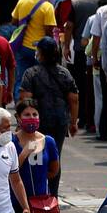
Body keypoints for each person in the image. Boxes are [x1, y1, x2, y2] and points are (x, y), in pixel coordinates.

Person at [17, 37, 78, 167]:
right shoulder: (65, 73)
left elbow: (25, 98)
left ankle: (38, 184)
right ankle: (53, 186)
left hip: (38, 121)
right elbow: (74, 99)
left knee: (35, 156)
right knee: (55, 156)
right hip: (60, 121)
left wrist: (21, 120)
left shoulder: (31, 73)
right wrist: (73, 122)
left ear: (41, 53)